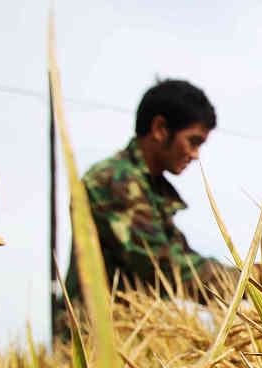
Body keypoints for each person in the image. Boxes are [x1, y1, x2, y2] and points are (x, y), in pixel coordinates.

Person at [63, 79, 228, 304]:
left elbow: (183, 259)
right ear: (160, 129)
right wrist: (256, 279)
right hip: (97, 334)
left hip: (132, 332)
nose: (196, 154)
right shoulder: (114, 180)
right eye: (193, 141)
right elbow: (167, 269)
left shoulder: (151, 190)